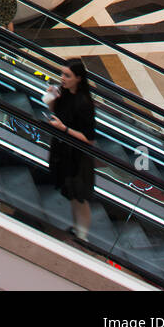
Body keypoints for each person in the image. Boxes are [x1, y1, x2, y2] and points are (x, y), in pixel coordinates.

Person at [45, 59, 97, 242]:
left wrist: (64, 129)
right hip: (64, 153)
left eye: (67, 75)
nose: (62, 78)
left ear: (79, 78)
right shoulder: (65, 94)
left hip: (78, 157)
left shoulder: (84, 104)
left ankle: (83, 238)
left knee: (80, 199)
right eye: (62, 74)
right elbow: (56, 114)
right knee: (73, 197)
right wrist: (52, 99)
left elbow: (89, 139)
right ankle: (77, 231)